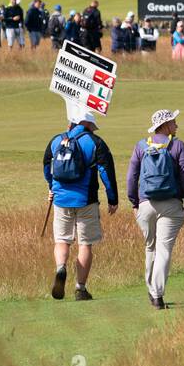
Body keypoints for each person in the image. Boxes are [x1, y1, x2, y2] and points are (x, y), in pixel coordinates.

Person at [44, 108, 118, 301]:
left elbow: (46, 166)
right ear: (87, 125)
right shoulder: (94, 142)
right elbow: (106, 172)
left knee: (62, 240)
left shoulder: (55, 141)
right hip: (86, 200)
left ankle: (61, 268)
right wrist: (113, 199)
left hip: (60, 200)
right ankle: (80, 288)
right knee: (85, 244)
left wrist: (51, 187)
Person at [127, 109, 184, 309]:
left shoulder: (141, 146)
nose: (176, 125)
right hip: (171, 204)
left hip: (145, 204)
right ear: (165, 126)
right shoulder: (178, 146)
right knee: (163, 249)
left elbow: (131, 177)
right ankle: (157, 294)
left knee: (150, 248)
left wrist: (134, 202)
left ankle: (152, 290)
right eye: (174, 122)